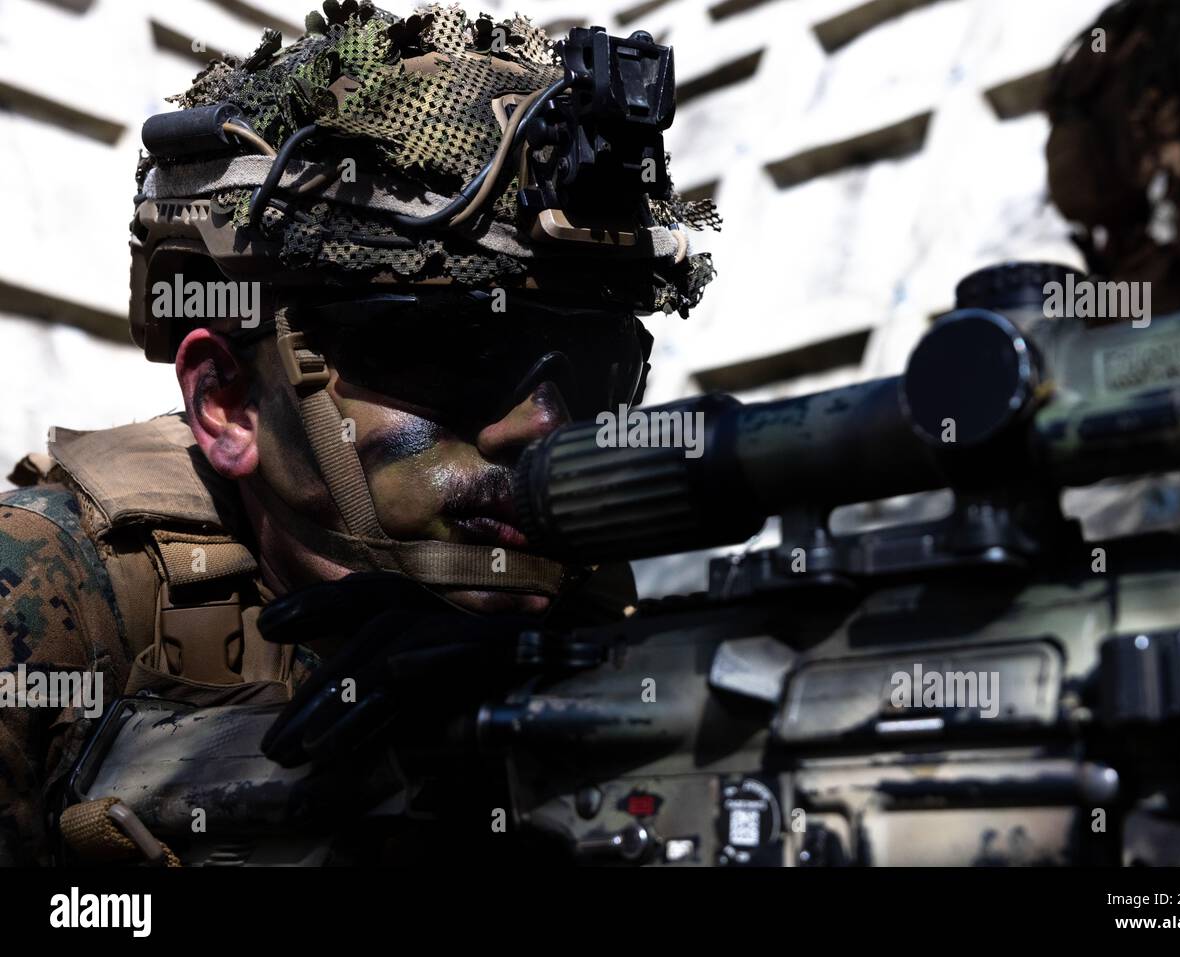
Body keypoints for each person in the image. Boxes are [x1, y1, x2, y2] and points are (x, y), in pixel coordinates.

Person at [0, 1, 719, 864]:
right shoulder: (47, 603)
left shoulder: (610, 628)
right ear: (226, 402)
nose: (542, 425)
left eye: (599, 372)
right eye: (458, 356)